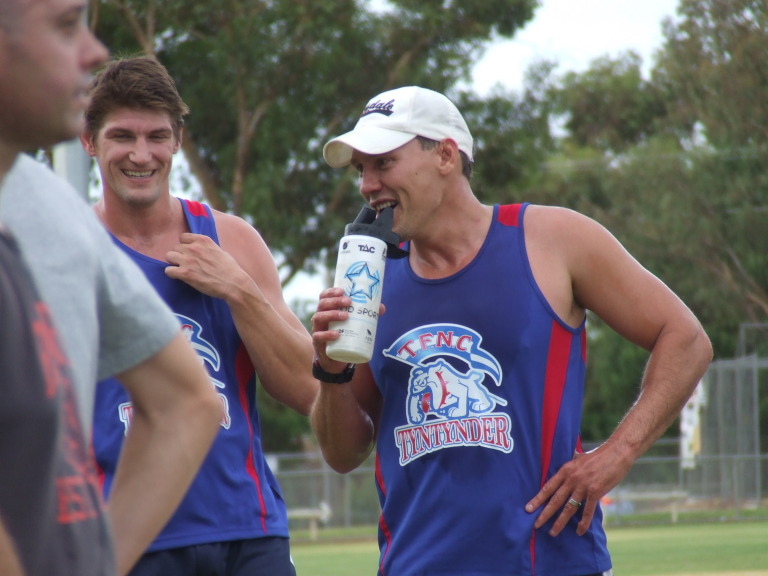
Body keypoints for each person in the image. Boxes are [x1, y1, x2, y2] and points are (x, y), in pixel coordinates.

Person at [310, 86, 713, 576]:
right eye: (360, 170)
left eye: (384, 164)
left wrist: (617, 454)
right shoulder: (370, 281)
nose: (367, 185)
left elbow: (686, 338)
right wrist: (330, 372)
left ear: (444, 155)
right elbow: (343, 452)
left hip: (553, 564)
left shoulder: (552, 240)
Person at [0, 1, 222, 575]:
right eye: (65, 25)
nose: (95, 52)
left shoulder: (54, 211)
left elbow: (188, 403)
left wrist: (95, 564)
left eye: (158, 135)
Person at [81, 55, 319, 576]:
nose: (141, 154)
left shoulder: (232, 239)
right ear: (89, 141)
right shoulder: (63, 249)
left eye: (156, 136)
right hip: (128, 538)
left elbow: (308, 389)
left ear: (178, 141)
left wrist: (239, 290)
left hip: (248, 534)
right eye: (122, 136)